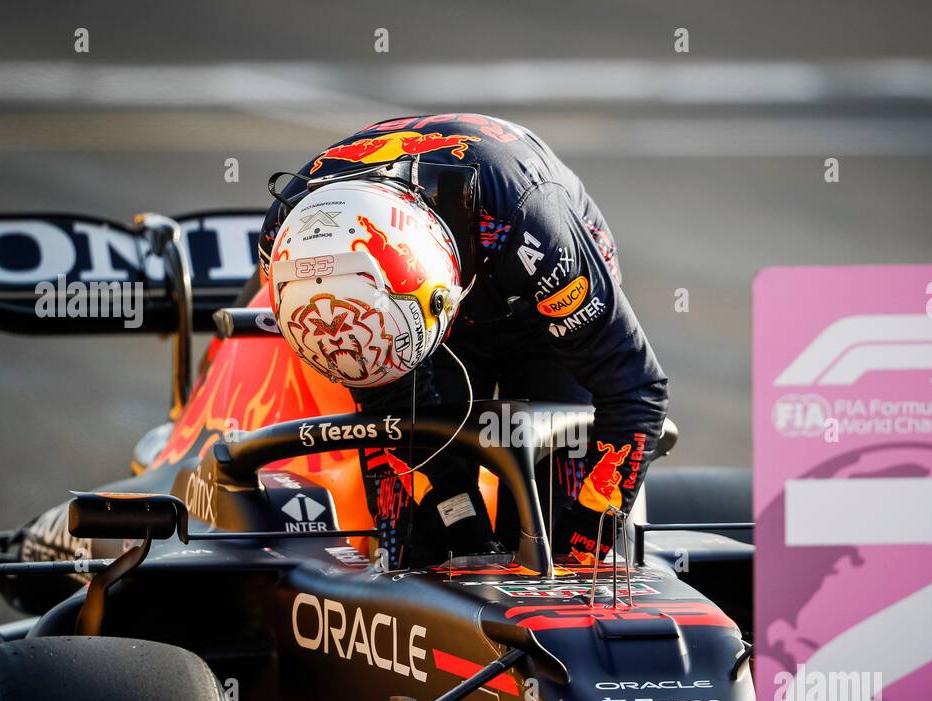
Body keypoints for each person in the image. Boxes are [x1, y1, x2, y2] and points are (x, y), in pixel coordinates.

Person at [258, 113, 667, 567]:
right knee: (425, 534)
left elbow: (636, 391)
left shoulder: (527, 220)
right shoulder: (283, 239)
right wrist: (457, 510)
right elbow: (383, 391)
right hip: (430, 310)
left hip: (537, 290)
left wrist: (590, 537)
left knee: (554, 532)